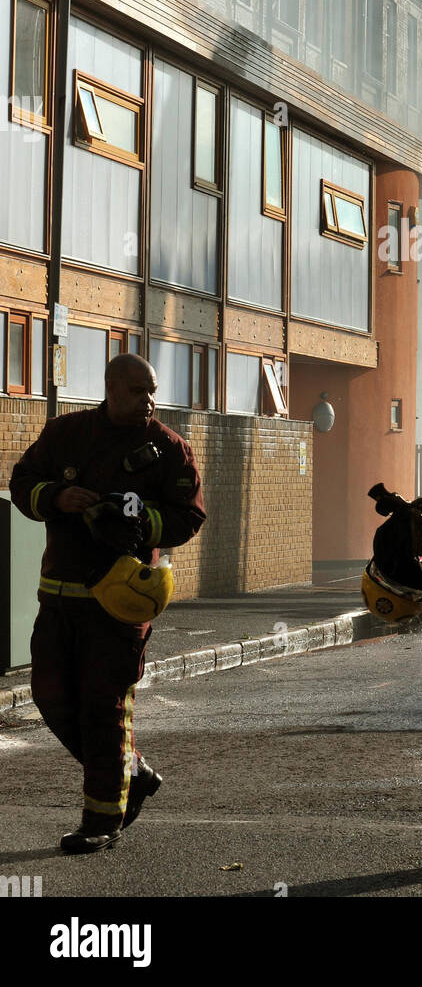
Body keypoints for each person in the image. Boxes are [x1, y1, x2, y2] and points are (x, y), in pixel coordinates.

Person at [9, 354, 205, 854]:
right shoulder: (65, 434)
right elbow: (21, 483)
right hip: (58, 598)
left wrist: (142, 523)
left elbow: (189, 517)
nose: (149, 401)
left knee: (104, 709)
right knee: (51, 698)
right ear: (111, 388)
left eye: (153, 391)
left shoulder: (168, 449)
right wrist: (57, 496)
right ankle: (131, 772)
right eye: (139, 390)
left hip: (121, 604)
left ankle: (101, 821)